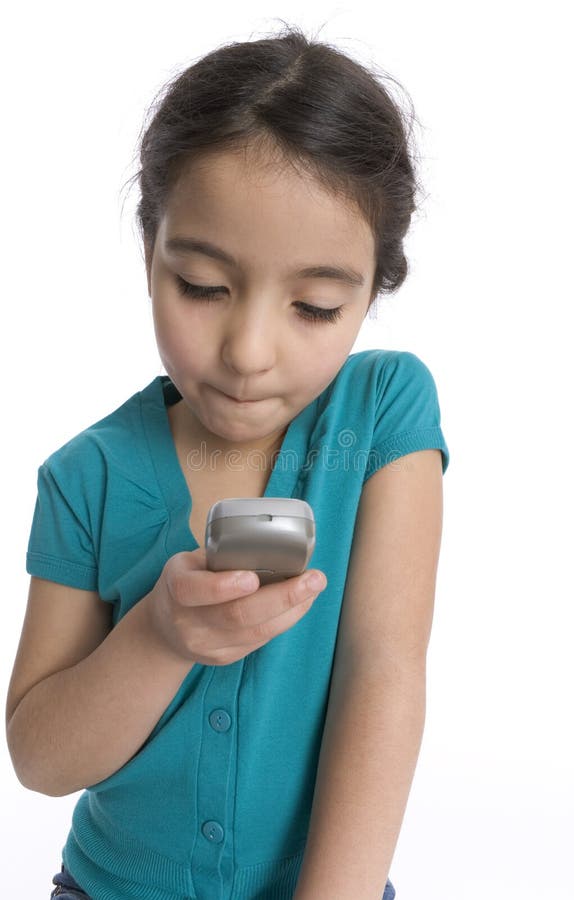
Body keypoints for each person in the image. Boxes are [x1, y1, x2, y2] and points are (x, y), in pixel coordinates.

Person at [6, 20, 450, 900]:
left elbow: (384, 672)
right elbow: (39, 757)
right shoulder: (85, 476)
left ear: (373, 288)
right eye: (204, 288)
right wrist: (162, 636)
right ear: (150, 252)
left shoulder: (384, 413)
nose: (248, 351)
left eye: (316, 306)